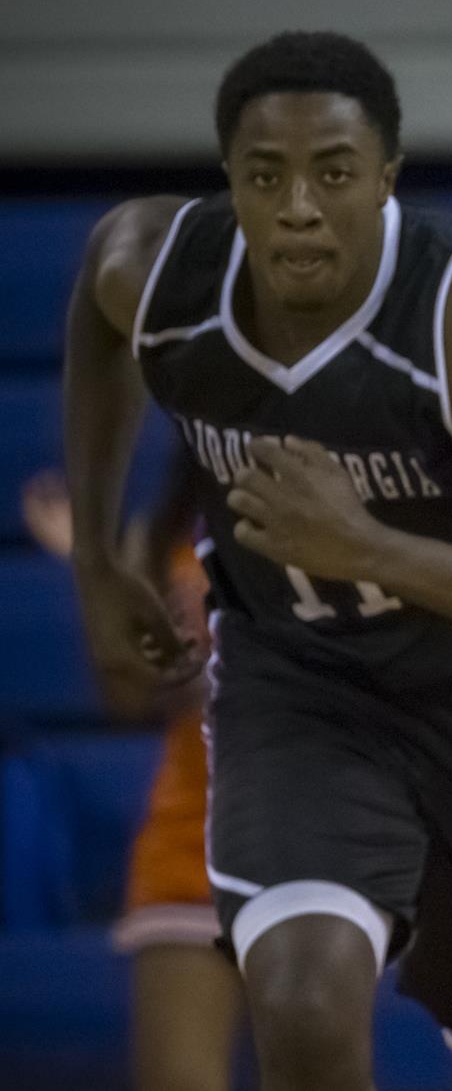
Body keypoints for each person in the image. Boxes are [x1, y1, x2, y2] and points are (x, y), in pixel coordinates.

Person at [64, 31, 452, 1091]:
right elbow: (98, 322)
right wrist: (98, 558)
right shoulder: (158, 270)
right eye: (264, 175)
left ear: (385, 177)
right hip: (300, 689)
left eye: (332, 172)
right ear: (227, 178)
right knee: (302, 1000)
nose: (296, 207)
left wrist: (368, 545)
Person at [22, 461, 245, 1091]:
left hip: (319, 841)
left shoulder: (349, 506)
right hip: (188, 842)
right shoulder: (163, 533)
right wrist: (101, 581)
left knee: (320, 1061)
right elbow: (126, 699)